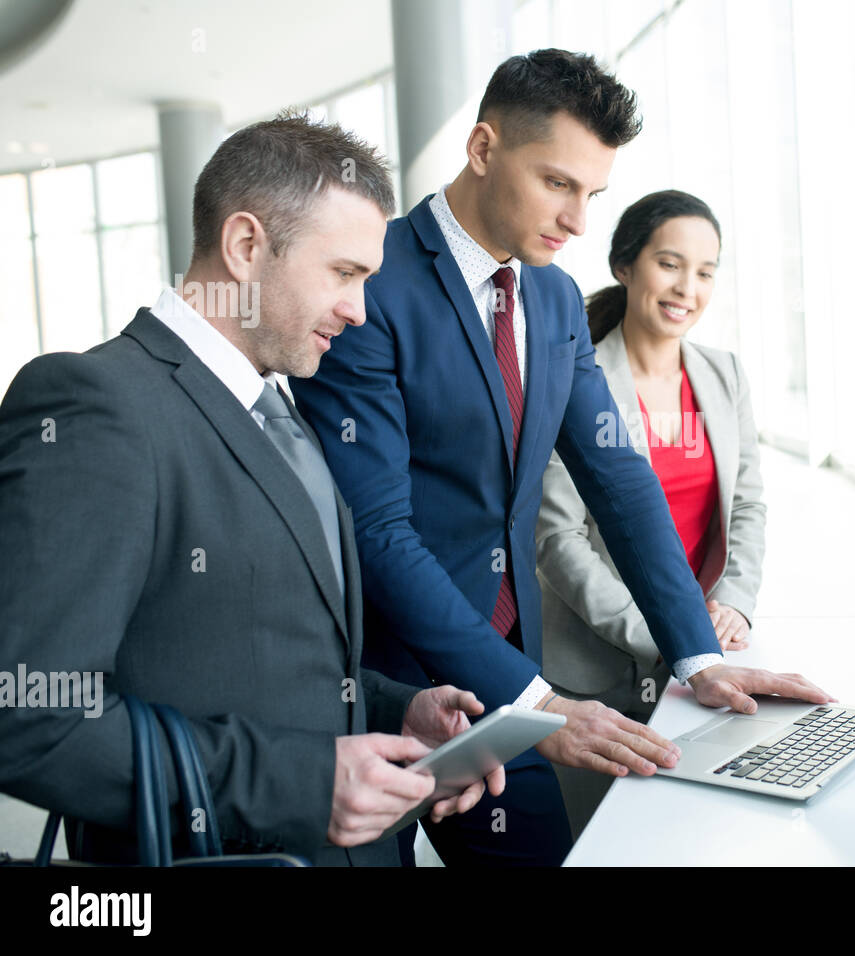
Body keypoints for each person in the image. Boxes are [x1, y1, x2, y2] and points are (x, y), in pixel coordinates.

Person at [290, 49, 831, 868]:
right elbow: (377, 530)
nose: (579, 220)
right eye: (557, 184)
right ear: (482, 149)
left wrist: (700, 654)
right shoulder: (373, 282)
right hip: (387, 688)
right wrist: (539, 699)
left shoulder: (551, 298)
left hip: (516, 684)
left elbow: (617, 478)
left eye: (593, 194)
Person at [0, 113, 502, 866]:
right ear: (244, 247)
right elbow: (33, 714)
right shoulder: (95, 404)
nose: (360, 310)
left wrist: (400, 710)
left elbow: (265, 652)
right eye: (344, 273)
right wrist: (297, 782)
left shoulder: (281, 411)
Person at [534, 189, 764, 836]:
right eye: (669, 263)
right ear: (624, 265)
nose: (687, 287)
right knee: (597, 842)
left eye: (706, 271)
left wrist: (734, 604)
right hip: (596, 667)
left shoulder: (725, 376)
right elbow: (558, 540)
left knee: (692, 837)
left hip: (704, 654)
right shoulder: (578, 381)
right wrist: (670, 635)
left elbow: (747, 503)